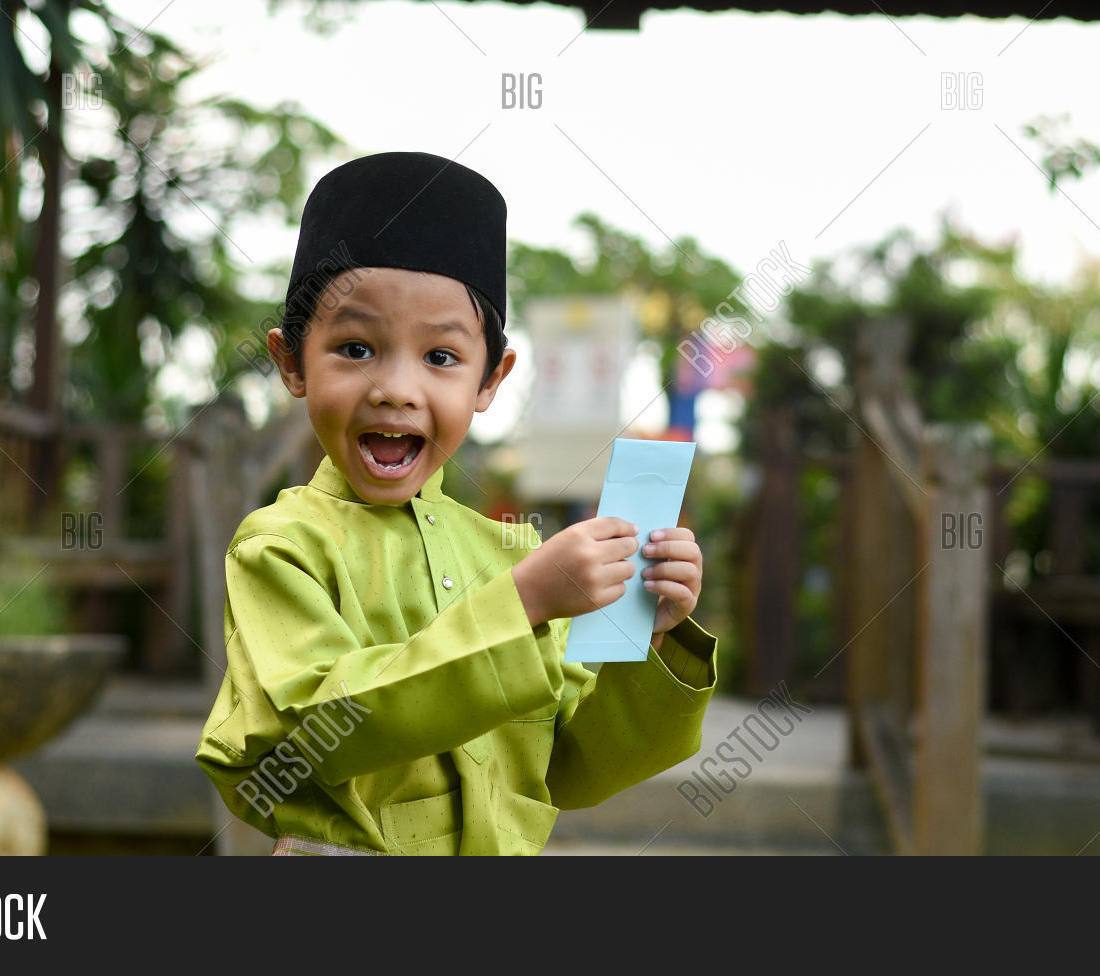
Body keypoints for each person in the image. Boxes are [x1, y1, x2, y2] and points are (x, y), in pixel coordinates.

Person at [195, 152, 717, 855]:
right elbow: (312, 737)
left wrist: (652, 640)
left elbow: (574, 770)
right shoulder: (282, 547)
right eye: (355, 347)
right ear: (291, 362)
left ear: (490, 381)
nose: (396, 389)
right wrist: (521, 607)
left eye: (441, 358)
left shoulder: (512, 557)